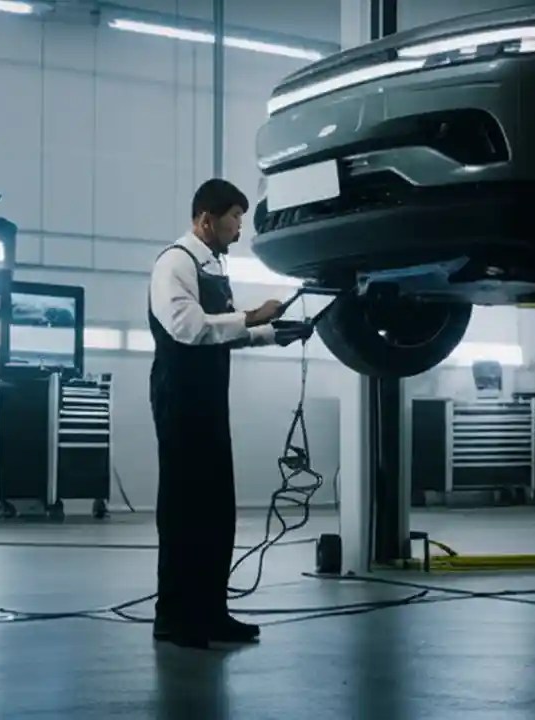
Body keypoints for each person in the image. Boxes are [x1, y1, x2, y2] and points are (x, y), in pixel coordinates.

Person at [148, 178, 307, 648]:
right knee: (182, 509)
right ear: (205, 219)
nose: (240, 226)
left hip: (210, 397)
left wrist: (276, 333)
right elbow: (188, 327)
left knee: (216, 507)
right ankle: (174, 618)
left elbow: (227, 331)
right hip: (179, 397)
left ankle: (212, 612)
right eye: (235, 217)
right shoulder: (174, 262)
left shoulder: (213, 265)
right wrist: (256, 315)